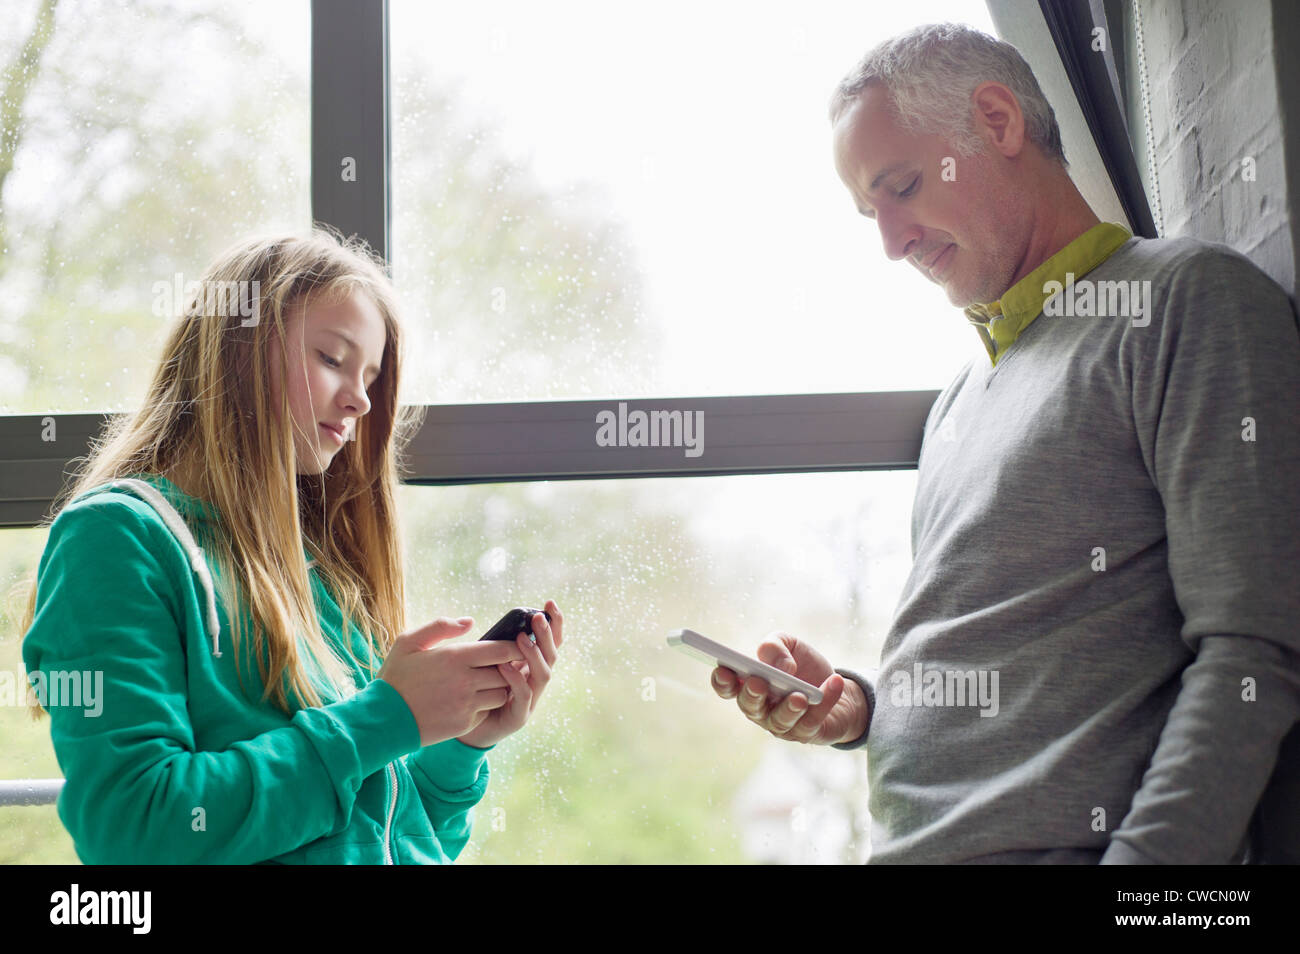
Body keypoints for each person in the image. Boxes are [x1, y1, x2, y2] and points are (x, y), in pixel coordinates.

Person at [712, 23, 1300, 864]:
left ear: (997, 120)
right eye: (868, 211)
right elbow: (1023, 664)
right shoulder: (960, 398)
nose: (891, 242)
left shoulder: (1188, 305)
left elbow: (1259, 649)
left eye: (903, 187)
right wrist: (857, 711)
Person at [18, 227, 564, 864]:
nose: (360, 398)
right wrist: (387, 719)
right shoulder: (116, 539)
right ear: (237, 354)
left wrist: (457, 747)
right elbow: (131, 827)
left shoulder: (326, 576)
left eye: (370, 376)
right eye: (333, 359)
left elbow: (397, 840)